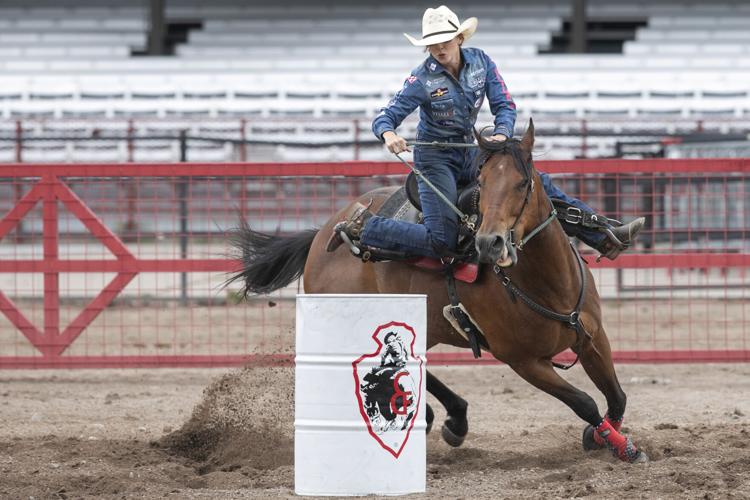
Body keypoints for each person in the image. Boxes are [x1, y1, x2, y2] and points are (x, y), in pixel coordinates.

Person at [326, 5, 644, 261]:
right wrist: (388, 135)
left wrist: (503, 135)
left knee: (536, 182)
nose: (438, 47)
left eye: (445, 40)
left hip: (473, 150)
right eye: (432, 42)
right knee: (443, 240)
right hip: (436, 160)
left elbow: (505, 105)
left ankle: (605, 234)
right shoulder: (420, 80)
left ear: (459, 39)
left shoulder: (482, 63)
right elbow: (385, 117)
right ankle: (368, 226)